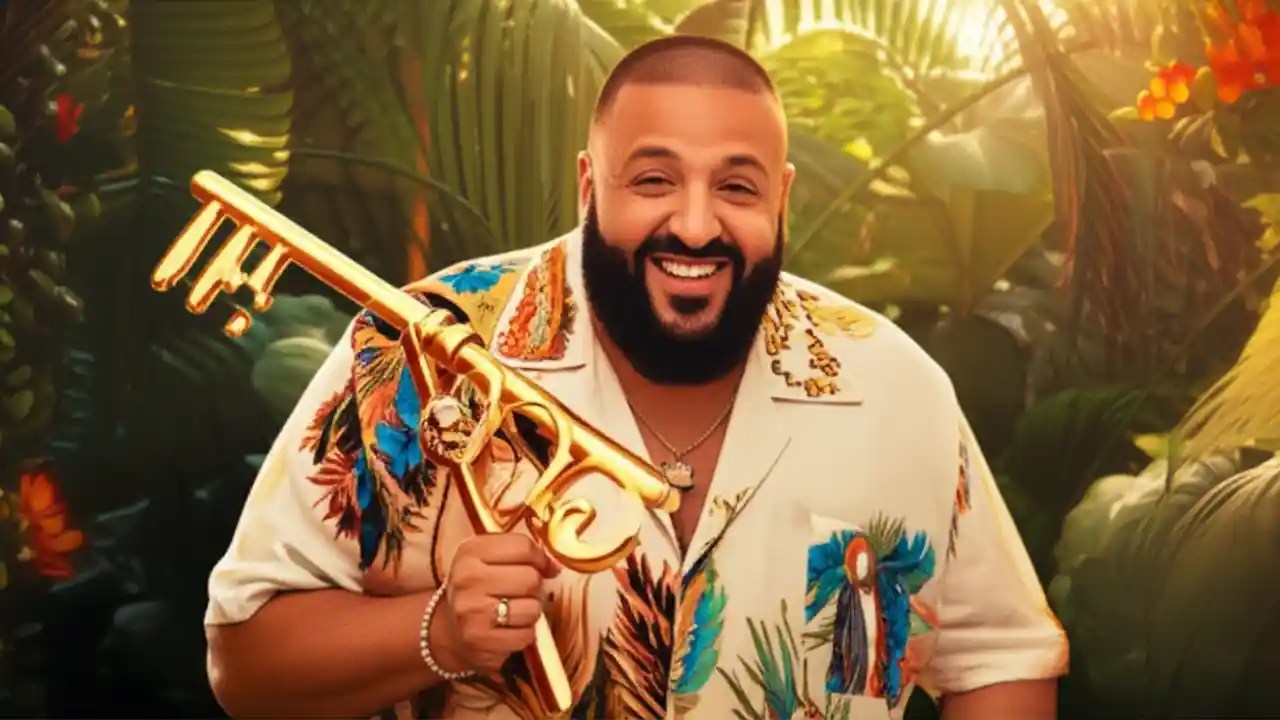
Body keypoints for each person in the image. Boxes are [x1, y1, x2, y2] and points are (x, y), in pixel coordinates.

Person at [202, 35, 1068, 720]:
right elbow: (244, 663)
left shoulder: (895, 389)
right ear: (590, 185)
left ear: (782, 198)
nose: (695, 225)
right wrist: (438, 631)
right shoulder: (421, 354)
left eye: (737, 185)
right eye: (654, 179)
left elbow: (1001, 659)